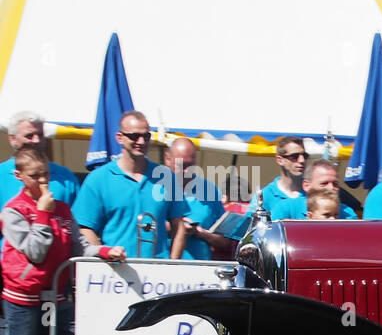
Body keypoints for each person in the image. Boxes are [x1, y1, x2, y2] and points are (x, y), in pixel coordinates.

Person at [3, 148, 124, 335]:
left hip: (56, 298)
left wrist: (104, 251)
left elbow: (78, 246)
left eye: (46, 174)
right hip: (23, 298)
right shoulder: (14, 211)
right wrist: (43, 214)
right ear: (20, 176)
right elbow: (35, 252)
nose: (43, 181)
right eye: (35, 176)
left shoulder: (62, 209)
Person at [73, 111, 182, 259]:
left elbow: (179, 226)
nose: (141, 142)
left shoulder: (166, 177)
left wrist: (172, 264)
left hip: (158, 269)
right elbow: (85, 227)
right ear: (120, 138)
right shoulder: (98, 179)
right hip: (116, 268)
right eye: (134, 136)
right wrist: (104, 256)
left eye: (146, 136)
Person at [160, 137, 231, 260]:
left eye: (191, 165)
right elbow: (143, 226)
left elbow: (225, 241)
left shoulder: (209, 190)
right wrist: (176, 227)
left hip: (200, 269)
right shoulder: (154, 187)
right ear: (167, 159)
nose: (187, 171)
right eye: (182, 165)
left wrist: (199, 233)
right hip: (161, 267)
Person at [0, 112, 81, 206]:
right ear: (13, 139)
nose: (36, 140)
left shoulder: (65, 176)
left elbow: (78, 213)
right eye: (29, 136)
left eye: (40, 135)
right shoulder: (2, 175)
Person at [274, 158, 358, 220]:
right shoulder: (286, 209)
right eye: (324, 183)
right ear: (306, 185)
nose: (331, 188)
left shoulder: (347, 213)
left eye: (335, 184)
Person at [255, 136, 309, 218]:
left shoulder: (313, 191)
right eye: (295, 156)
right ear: (280, 160)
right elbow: (251, 224)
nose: (302, 160)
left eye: (304, 156)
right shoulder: (264, 196)